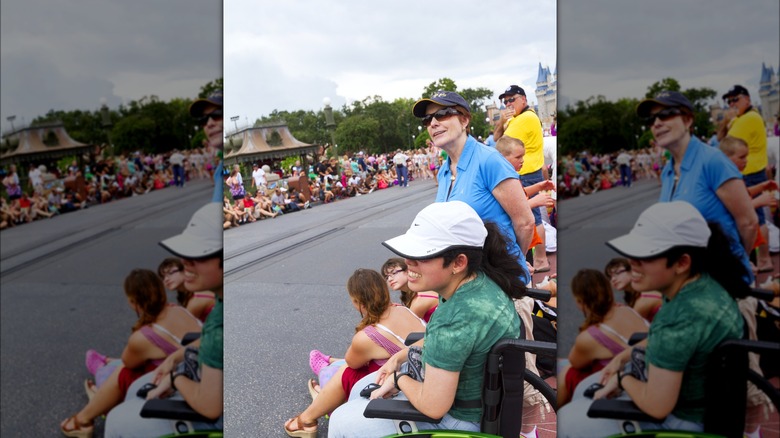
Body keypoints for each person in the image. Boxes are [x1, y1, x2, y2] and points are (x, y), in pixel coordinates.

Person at [328, 201, 525, 436]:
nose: (408, 262)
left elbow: (433, 407)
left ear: (458, 262)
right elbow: (458, 342)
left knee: (341, 421)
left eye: (421, 255)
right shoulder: (478, 282)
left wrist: (399, 378)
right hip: (482, 404)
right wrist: (400, 357)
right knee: (362, 386)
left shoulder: (454, 318)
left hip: (458, 420)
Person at [558, 201, 748, 436]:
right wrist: (623, 357)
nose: (632, 264)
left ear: (682, 263)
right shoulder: (700, 285)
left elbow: (657, 406)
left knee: (565, 420)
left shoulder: (681, 317)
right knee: (585, 388)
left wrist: (622, 376)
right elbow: (676, 340)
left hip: (679, 422)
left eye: (645, 256)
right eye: (632, 254)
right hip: (697, 400)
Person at [104, 203, 224, 436]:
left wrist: (176, 377)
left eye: (197, 256)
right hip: (209, 378)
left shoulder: (217, 323)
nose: (185, 263)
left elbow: (210, 407)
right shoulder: (219, 300)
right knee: (137, 389)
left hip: (215, 418)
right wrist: (175, 358)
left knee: (116, 420)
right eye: (185, 256)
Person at [283, 268, 427, 437]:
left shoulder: (368, 336)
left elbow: (352, 362)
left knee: (347, 371)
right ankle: (324, 390)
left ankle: (307, 419)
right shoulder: (404, 310)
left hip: (403, 382)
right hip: (422, 367)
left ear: (359, 302)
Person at [60, 269, 202, 438]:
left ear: (133, 302)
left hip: (186, 380)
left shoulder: (144, 337)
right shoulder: (179, 310)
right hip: (200, 367)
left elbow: (129, 363)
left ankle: (83, 419)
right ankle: (99, 394)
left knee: (123, 372)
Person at [413, 90, 535, 285]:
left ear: (464, 120)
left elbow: (525, 223)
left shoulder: (489, 160)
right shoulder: (444, 172)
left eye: (442, 114)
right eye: (427, 120)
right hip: (468, 282)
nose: (433, 123)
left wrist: (513, 262)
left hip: (501, 282)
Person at [636, 90, 757, 285]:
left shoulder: (712, 160)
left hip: (723, 282)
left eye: (666, 114)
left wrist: (738, 260)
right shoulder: (668, 171)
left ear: (688, 120)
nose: (657, 123)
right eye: (651, 119)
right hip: (689, 282)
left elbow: (748, 222)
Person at [557, 269, 649, 407]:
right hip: (646, 367)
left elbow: (576, 362)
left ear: (580, 302)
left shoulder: (590, 337)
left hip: (628, 379)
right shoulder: (626, 309)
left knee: (567, 372)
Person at [494, 85, 551, 273]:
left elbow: (501, 145)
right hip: (526, 171)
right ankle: (537, 258)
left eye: (512, 100)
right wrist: (501, 122)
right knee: (532, 215)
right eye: (505, 101)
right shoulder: (516, 119)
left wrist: (503, 123)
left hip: (526, 171)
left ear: (523, 100)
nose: (508, 104)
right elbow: (498, 139)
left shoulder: (525, 118)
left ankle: (540, 260)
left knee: (531, 218)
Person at [717, 85, 772, 273]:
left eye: (735, 100)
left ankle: (763, 259)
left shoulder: (748, 118)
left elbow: (725, 145)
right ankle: (760, 258)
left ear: (747, 99)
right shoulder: (744, 118)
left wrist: (728, 121)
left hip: (750, 170)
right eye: (729, 101)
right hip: (751, 170)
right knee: (754, 215)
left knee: (754, 217)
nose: (732, 104)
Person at [158, 257, 216, 323]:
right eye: (163, 277)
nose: (166, 279)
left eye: (171, 273)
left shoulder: (197, 298)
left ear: (185, 271)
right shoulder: (193, 295)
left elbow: (182, 325)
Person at [381, 257, 439, 323]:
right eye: (386, 277)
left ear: (408, 271)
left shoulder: (419, 301)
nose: (390, 279)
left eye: (393, 273)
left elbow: (406, 327)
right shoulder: (421, 291)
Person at [604, 257, 662, 322]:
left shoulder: (645, 297)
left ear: (632, 271)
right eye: (610, 277)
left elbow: (630, 324)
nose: (613, 279)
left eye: (617, 273)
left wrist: (621, 311)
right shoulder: (638, 296)